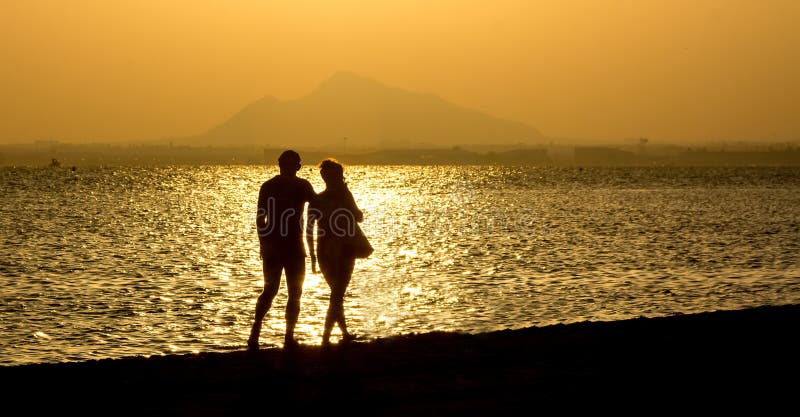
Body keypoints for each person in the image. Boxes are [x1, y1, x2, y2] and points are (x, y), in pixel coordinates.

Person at [248, 150, 316, 350]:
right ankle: (263, 333)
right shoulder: (274, 186)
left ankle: (281, 335)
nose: (287, 168)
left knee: (285, 292)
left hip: (288, 247)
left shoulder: (293, 186)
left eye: (289, 164)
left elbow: (319, 204)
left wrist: (263, 243)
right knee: (276, 291)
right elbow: (260, 218)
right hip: (281, 248)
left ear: (297, 167)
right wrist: (264, 244)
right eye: (286, 164)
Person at [306, 158, 364, 346]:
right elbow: (359, 217)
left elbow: (309, 230)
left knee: (336, 293)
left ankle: (343, 333)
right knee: (337, 293)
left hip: (325, 250)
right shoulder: (344, 195)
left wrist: (313, 257)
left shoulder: (316, 199)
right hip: (343, 248)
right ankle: (326, 337)